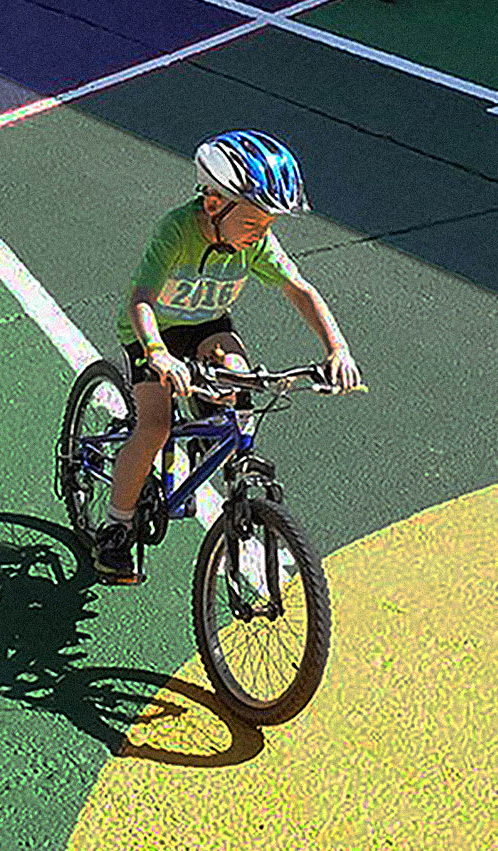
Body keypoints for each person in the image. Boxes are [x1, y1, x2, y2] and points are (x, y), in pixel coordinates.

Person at [95, 129, 362, 585]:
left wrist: (337, 348)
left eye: (269, 225)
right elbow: (141, 298)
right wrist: (157, 354)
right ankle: (117, 527)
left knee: (238, 380)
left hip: (207, 326)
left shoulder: (253, 242)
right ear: (216, 204)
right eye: (255, 222)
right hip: (153, 332)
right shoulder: (177, 230)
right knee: (156, 427)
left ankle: (214, 452)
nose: (262, 233)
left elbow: (300, 291)